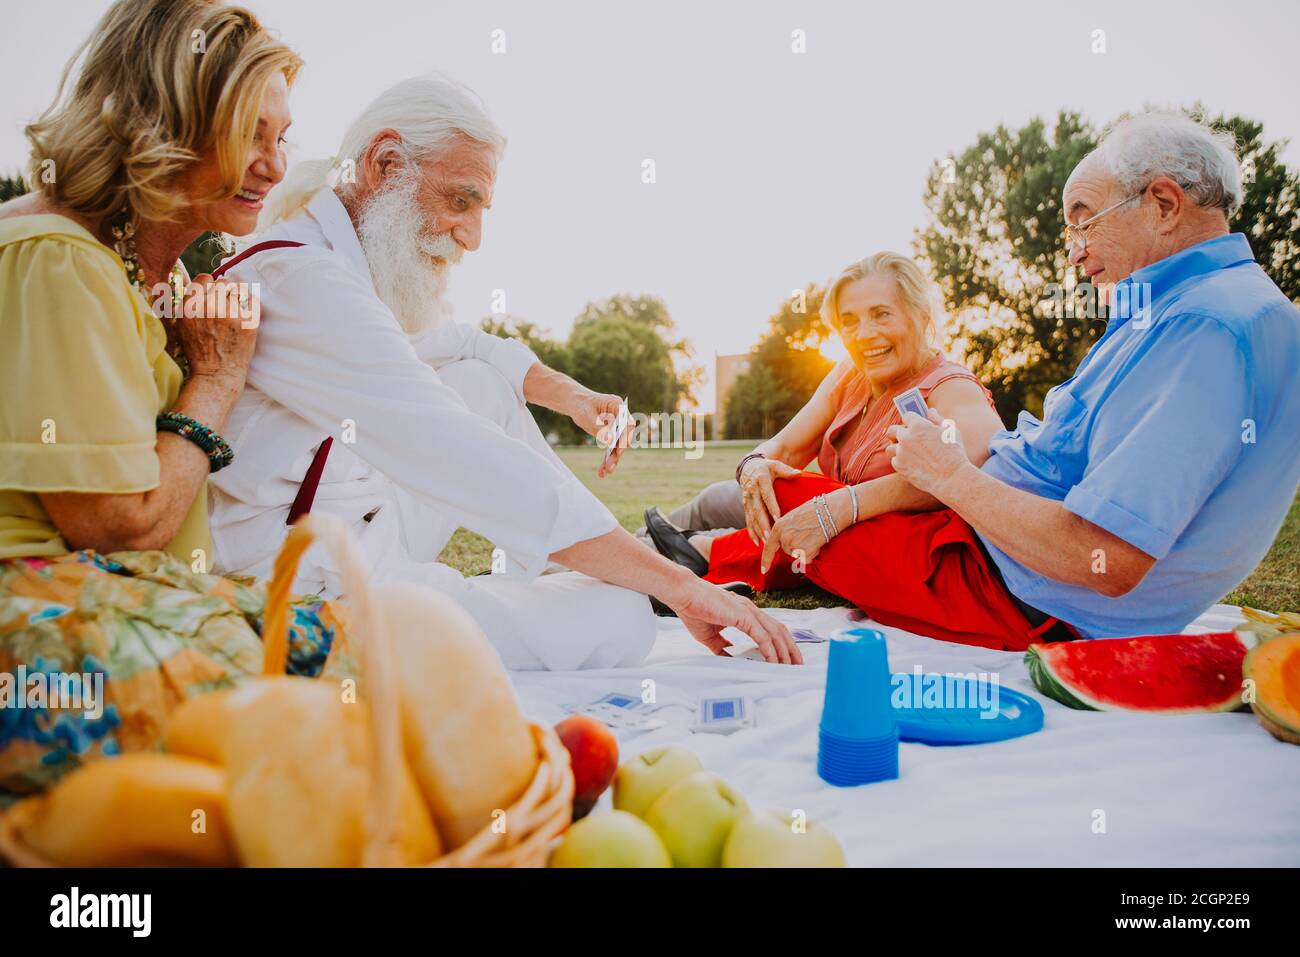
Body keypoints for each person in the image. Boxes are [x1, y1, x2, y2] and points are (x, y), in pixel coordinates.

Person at [209, 74, 800, 671]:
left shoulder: (336, 262)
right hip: (303, 590)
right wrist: (683, 589)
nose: (473, 236)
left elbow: (464, 345)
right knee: (621, 619)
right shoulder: (307, 280)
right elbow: (457, 451)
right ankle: (557, 578)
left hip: (356, 535)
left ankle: (552, 568)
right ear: (384, 165)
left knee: (479, 383)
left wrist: (572, 397)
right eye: (459, 200)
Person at [659, 112, 1300, 651]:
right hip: (998, 551)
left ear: (1162, 204)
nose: (1073, 250)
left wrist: (949, 480)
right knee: (777, 494)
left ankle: (682, 563)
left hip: (1014, 591)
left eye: (1083, 219)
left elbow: (1106, 558)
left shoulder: (1207, 329)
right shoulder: (1199, 309)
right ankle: (686, 555)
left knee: (794, 505)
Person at [0, 0, 332, 795]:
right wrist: (215, 380)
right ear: (166, 122)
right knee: (326, 701)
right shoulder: (58, 255)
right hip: (41, 627)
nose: (275, 166)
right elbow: (119, 525)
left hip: (122, 609)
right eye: (248, 133)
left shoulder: (160, 278)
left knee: (359, 652)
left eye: (280, 138)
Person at [641, 252, 1003, 583]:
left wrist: (842, 506)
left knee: (714, 541)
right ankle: (618, 551)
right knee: (716, 499)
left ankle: (656, 558)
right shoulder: (851, 374)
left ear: (920, 316)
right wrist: (752, 466)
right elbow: (787, 446)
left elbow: (978, 466)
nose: (865, 335)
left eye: (882, 314)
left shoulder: (951, 386)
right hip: (820, 514)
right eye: (849, 322)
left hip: (871, 542)